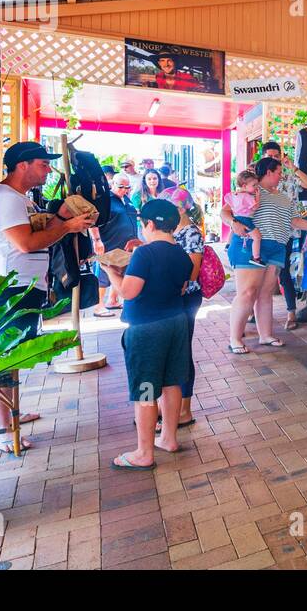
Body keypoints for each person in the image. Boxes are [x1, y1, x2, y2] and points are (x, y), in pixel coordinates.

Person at [0, 141, 94, 454]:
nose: (48, 170)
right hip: (9, 287)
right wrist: (68, 226)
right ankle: (2, 426)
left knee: (15, 354)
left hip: (23, 286)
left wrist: (60, 218)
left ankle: (4, 414)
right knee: (4, 356)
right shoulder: (6, 199)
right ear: (22, 165)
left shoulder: (19, 198)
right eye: (43, 164)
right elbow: (25, 243)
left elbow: (39, 234)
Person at [109, 199, 192, 470]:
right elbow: (180, 288)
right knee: (171, 381)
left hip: (146, 329)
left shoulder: (145, 255)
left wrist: (110, 272)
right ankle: (168, 438)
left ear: (150, 224)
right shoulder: (180, 253)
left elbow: (128, 292)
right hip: (176, 322)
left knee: (145, 389)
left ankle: (144, 452)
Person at [222, 157, 307, 353]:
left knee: (265, 294)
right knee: (247, 292)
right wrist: (233, 223)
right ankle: (234, 339)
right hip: (252, 245)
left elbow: (294, 221)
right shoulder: (252, 190)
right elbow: (225, 211)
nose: (281, 176)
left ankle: (265, 335)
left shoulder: (283, 197)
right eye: (279, 172)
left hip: (277, 247)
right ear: (269, 172)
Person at [165, 187, 206, 429]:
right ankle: (173, 409)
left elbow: (192, 271)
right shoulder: (174, 230)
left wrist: (176, 286)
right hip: (175, 298)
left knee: (182, 353)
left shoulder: (190, 232)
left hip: (186, 298)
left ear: (181, 208)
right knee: (174, 352)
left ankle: (185, 410)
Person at [260, 141, 307, 329]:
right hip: (263, 232)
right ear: (263, 157)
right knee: (258, 272)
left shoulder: (289, 177)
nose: (273, 159)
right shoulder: (257, 179)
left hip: (286, 232)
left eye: (276, 156)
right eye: (269, 156)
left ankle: (291, 313)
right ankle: (251, 312)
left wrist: (293, 168)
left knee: (283, 272)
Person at [90, 173, 139, 317]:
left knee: (120, 273)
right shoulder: (105, 200)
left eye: (127, 187)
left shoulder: (127, 200)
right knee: (103, 276)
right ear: (112, 184)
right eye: (121, 187)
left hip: (125, 245)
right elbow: (92, 220)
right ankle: (98, 306)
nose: (124, 189)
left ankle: (113, 300)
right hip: (108, 244)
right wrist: (96, 240)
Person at [223, 169, 265, 267]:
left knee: (233, 229)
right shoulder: (247, 197)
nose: (256, 187)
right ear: (244, 186)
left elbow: (229, 206)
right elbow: (255, 207)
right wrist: (258, 197)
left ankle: (228, 245)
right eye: (254, 185)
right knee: (257, 237)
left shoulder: (235, 194)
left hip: (237, 217)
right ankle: (256, 257)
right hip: (246, 219)